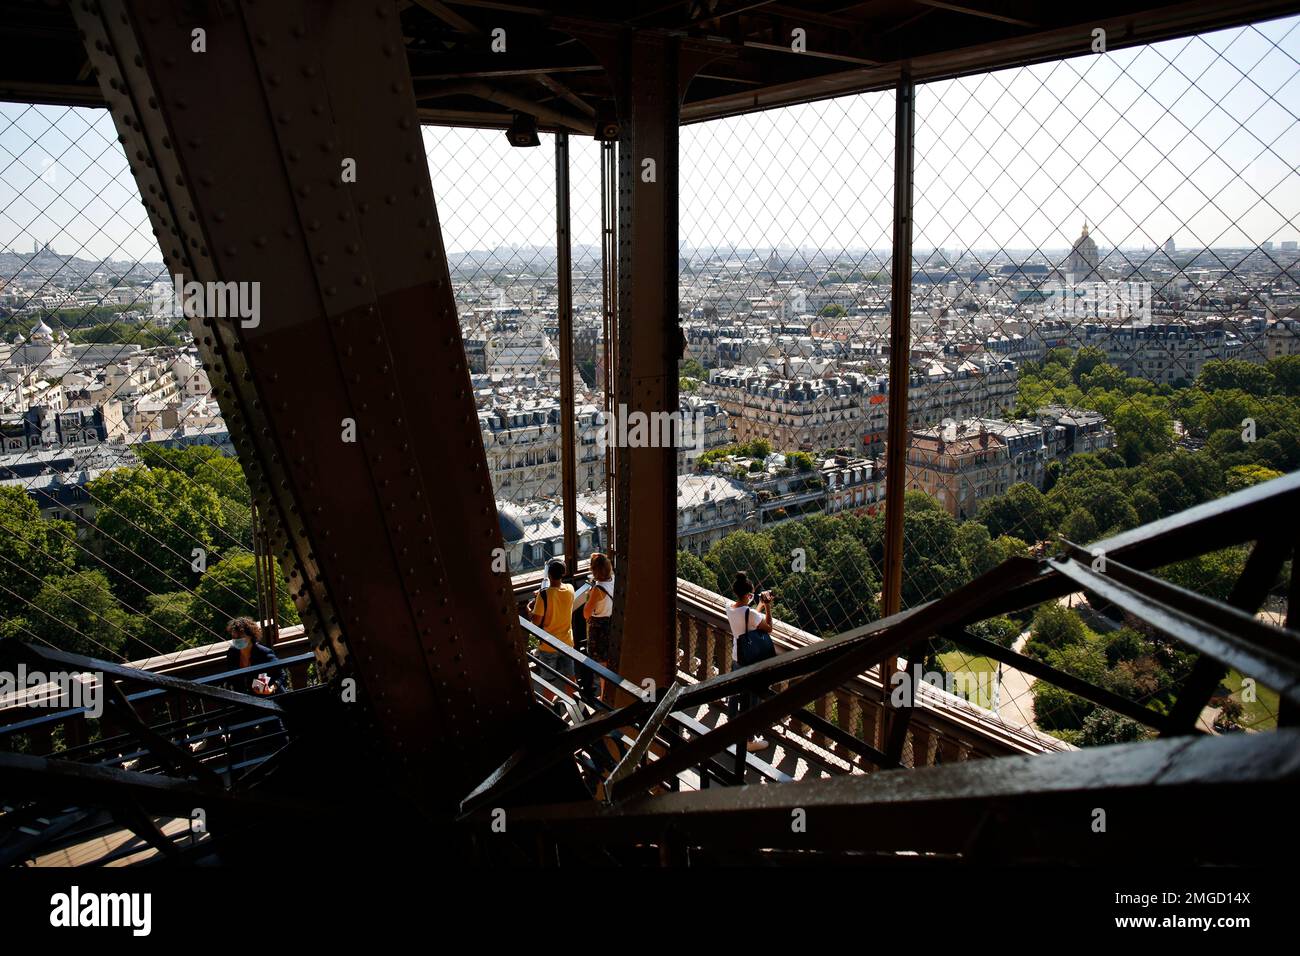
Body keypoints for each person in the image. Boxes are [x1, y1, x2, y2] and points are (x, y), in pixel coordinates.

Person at [726, 572, 775, 753]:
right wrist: (768, 607)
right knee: (751, 698)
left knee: (733, 694)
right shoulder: (751, 613)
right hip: (750, 660)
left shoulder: (729, 607)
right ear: (748, 595)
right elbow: (768, 628)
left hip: (736, 656)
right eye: (752, 595)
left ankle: (731, 728)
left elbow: (748, 619)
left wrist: (759, 605)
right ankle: (748, 739)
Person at [528, 559, 576, 703]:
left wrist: (530, 609)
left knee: (548, 681)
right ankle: (575, 704)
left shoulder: (544, 595)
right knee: (570, 678)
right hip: (567, 642)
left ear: (549, 574)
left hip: (548, 645)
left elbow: (535, 621)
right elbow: (556, 595)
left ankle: (550, 707)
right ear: (564, 573)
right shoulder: (570, 589)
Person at [224, 617, 288, 696]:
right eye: (234, 637)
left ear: (250, 636)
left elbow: (282, 675)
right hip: (248, 699)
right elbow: (230, 676)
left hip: (272, 698)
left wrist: (271, 689)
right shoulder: (232, 652)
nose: (236, 640)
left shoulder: (264, 653)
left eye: (240, 637)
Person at [582, 552, 616, 701]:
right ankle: (607, 694)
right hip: (611, 623)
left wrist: (589, 596)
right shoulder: (613, 580)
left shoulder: (598, 590)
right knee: (609, 661)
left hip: (599, 627)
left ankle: (604, 696)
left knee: (603, 665)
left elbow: (586, 613)